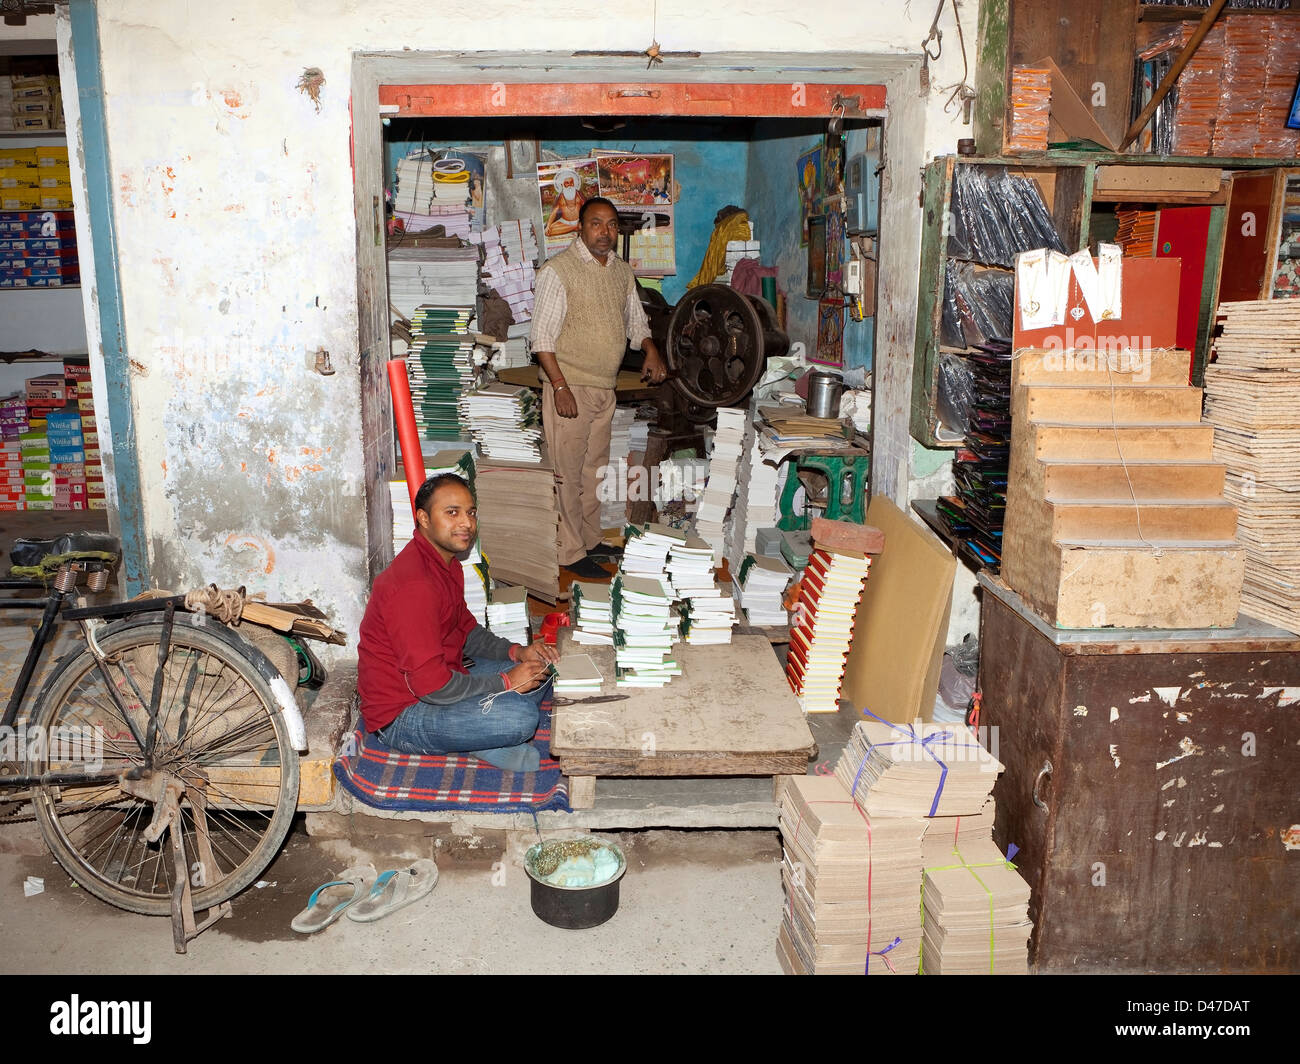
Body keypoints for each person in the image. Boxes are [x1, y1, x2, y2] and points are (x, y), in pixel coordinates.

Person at [357, 473, 560, 773]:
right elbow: (431, 688)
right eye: (452, 513)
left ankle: (476, 734)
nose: (466, 523)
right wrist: (506, 682)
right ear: (423, 518)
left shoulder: (448, 564)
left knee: (543, 666)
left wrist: (519, 653)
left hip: (446, 674)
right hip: (403, 714)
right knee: (520, 718)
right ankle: (480, 736)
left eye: (471, 512)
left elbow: (466, 631)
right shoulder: (414, 585)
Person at [531, 196, 668, 581]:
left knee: (593, 472)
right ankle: (569, 551)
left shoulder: (622, 272)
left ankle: (590, 540)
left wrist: (651, 350)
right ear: (580, 227)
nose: (604, 232)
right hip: (569, 387)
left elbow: (637, 322)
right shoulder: (558, 271)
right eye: (595, 223)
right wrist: (559, 386)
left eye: (611, 225)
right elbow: (541, 339)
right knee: (567, 473)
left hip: (603, 389)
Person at [543, 168, 585, 238]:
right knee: (549, 231)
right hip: (564, 222)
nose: (570, 185)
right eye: (567, 183)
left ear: (574, 183)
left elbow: (586, 207)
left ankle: (576, 226)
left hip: (578, 221)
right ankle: (575, 227)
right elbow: (554, 212)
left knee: (584, 224)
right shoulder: (560, 197)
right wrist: (548, 226)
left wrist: (583, 220)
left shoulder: (579, 194)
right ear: (562, 185)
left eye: (571, 182)